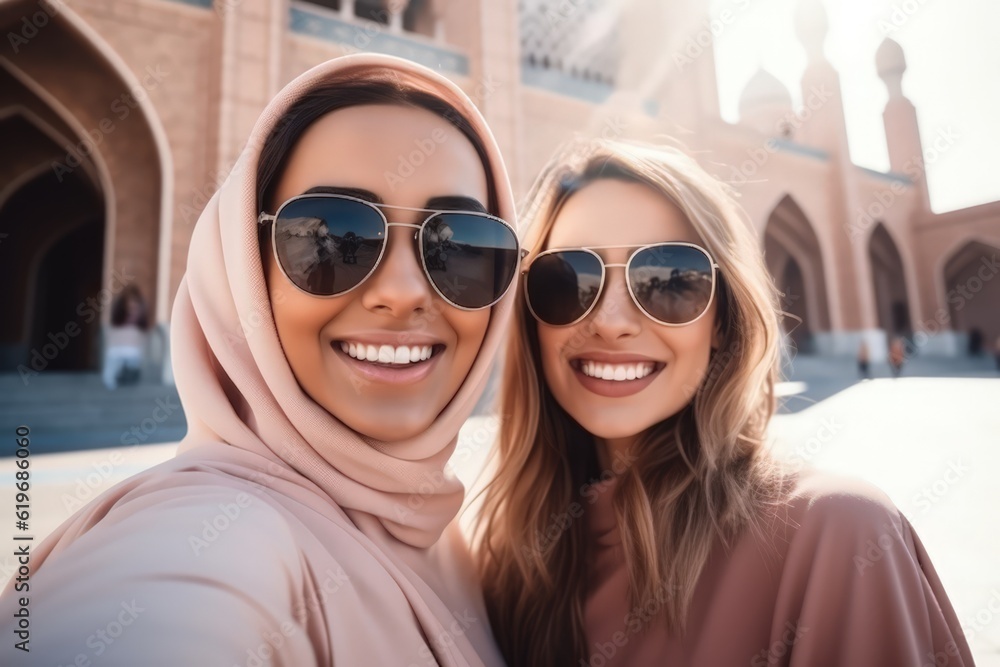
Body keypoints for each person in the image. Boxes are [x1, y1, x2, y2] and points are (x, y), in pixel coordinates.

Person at [0, 54, 521, 666]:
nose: (403, 291)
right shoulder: (213, 530)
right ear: (242, 266)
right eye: (330, 235)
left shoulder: (452, 536)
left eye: (459, 244)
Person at [474, 139, 973, 666]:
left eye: (670, 281)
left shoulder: (835, 537)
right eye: (568, 279)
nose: (611, 321)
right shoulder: (505, 565)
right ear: (530, 318)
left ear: (722, 320)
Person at [102, 283, 150, 388]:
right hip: (117, 349)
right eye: (130, 301)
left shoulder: (140, 320)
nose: (133, 304)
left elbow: (143, 337)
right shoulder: (119, 318)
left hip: (133, 352)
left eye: (135, 301)